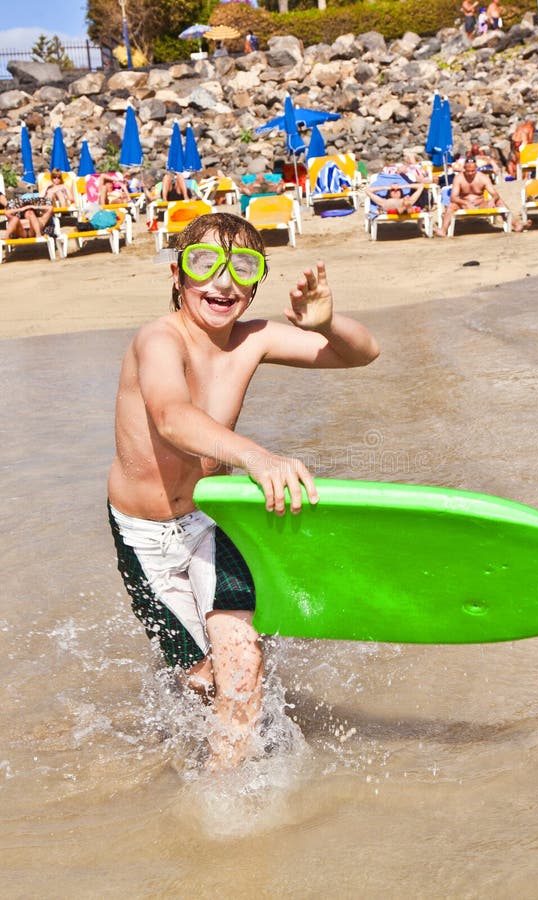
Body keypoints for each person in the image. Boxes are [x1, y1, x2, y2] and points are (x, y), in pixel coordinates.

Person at [107, 212, 380, 769]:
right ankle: (209, 734)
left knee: (241, 662)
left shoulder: (251, 340)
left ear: (256, 282)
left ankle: (228, 802)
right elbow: (170, 416)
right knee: (209, 683)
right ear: (179, 275)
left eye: (243, 268)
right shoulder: (158, 338)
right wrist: (256, 456)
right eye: (204, 264)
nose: (223, 282)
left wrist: (326, 324)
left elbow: (364, 353)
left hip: (214, 519)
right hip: (147, 535)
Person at [434, 156, 529, 235]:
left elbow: (494, 194)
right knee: (451, 206)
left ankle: (516, 224)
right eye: (468, 171)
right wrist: (465, 202)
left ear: (476, 168)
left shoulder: (483, 177)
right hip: (463, 205)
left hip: (481, 203)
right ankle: (443, 230)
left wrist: (492, 200)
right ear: (464, 169)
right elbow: (453, 197)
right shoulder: (459, 178)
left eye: (473, 171)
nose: (470, 173)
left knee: (499, 201)